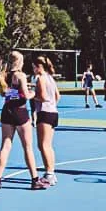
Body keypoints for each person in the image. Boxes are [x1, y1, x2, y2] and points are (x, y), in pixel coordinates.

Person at [0, 51, 47, 191]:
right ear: (19, 62)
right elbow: (26, 95)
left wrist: (18, 92)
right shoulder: (20, 75)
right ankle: (34, 179)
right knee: (27, 147)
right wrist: (34, 93)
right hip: (19, 112)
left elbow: (4, 94)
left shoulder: (4, 75)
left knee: (5, 145)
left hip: (7, 112)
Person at [32, 55, 61, 186]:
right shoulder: (51, 78)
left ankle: (49, 173)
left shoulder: (41, 78)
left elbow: (42, 96)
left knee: (43, 145)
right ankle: (51, 173)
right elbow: (57, 96)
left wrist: (32, 95)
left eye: (33, 67)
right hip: (53, 112)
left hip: (44, 112)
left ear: (38, 67)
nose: (33, 70)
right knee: (47, 145)